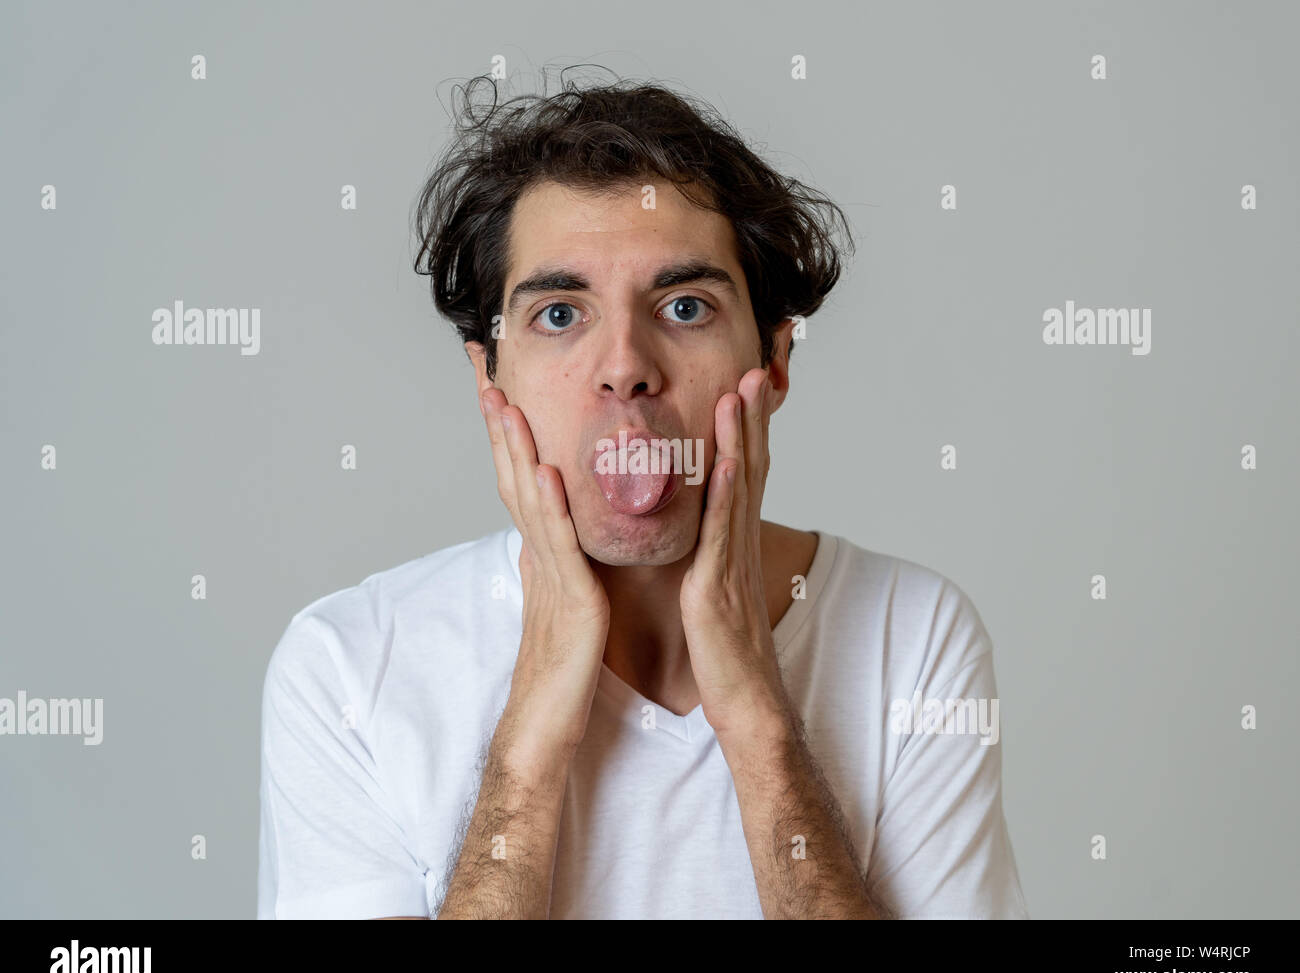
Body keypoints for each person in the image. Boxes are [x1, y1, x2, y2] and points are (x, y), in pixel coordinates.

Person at [256, 72, 1029, 919]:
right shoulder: (347, 667)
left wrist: (755, 710)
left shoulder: (913, 638)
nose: (626, 366)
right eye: (559, 314)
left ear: (772, 361)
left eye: (686, 306)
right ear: (491, 374)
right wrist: (539, 712)